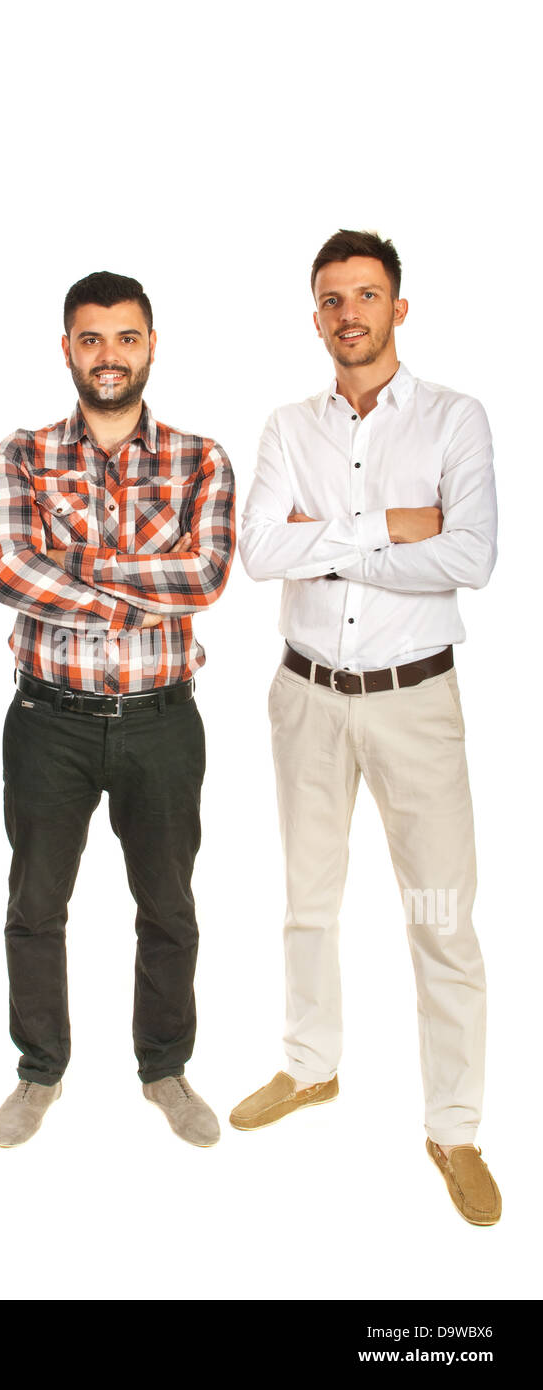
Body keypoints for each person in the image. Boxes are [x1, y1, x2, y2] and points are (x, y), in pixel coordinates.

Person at [231, 230, 500, 1224]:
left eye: (368, 294)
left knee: (440, 916)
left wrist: (330, 546)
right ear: (316, 317)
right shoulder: (287, 425)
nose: (351, 312)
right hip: (305, 696)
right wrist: (396, 526)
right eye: (334, 298)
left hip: (414, 704)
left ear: (398, 308)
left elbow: (471, 555)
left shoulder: (453, 420)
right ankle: (310, 1065)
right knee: (308, 896)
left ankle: (456, 1127)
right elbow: (261, 551)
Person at [0, 270, 235, 1147]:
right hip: (47, 720)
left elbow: (205, 575)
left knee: (168, 904)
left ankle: (164, 1068)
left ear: (151, 345)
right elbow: (8, 571)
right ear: (67, 349)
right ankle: (38, 1070)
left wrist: (77, 571)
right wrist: (134, 591)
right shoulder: (22, 454)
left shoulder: (201, 458)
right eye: (91, 339)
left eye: (125, 337)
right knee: (34, 904)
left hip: (162, 722)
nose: (109, 355)